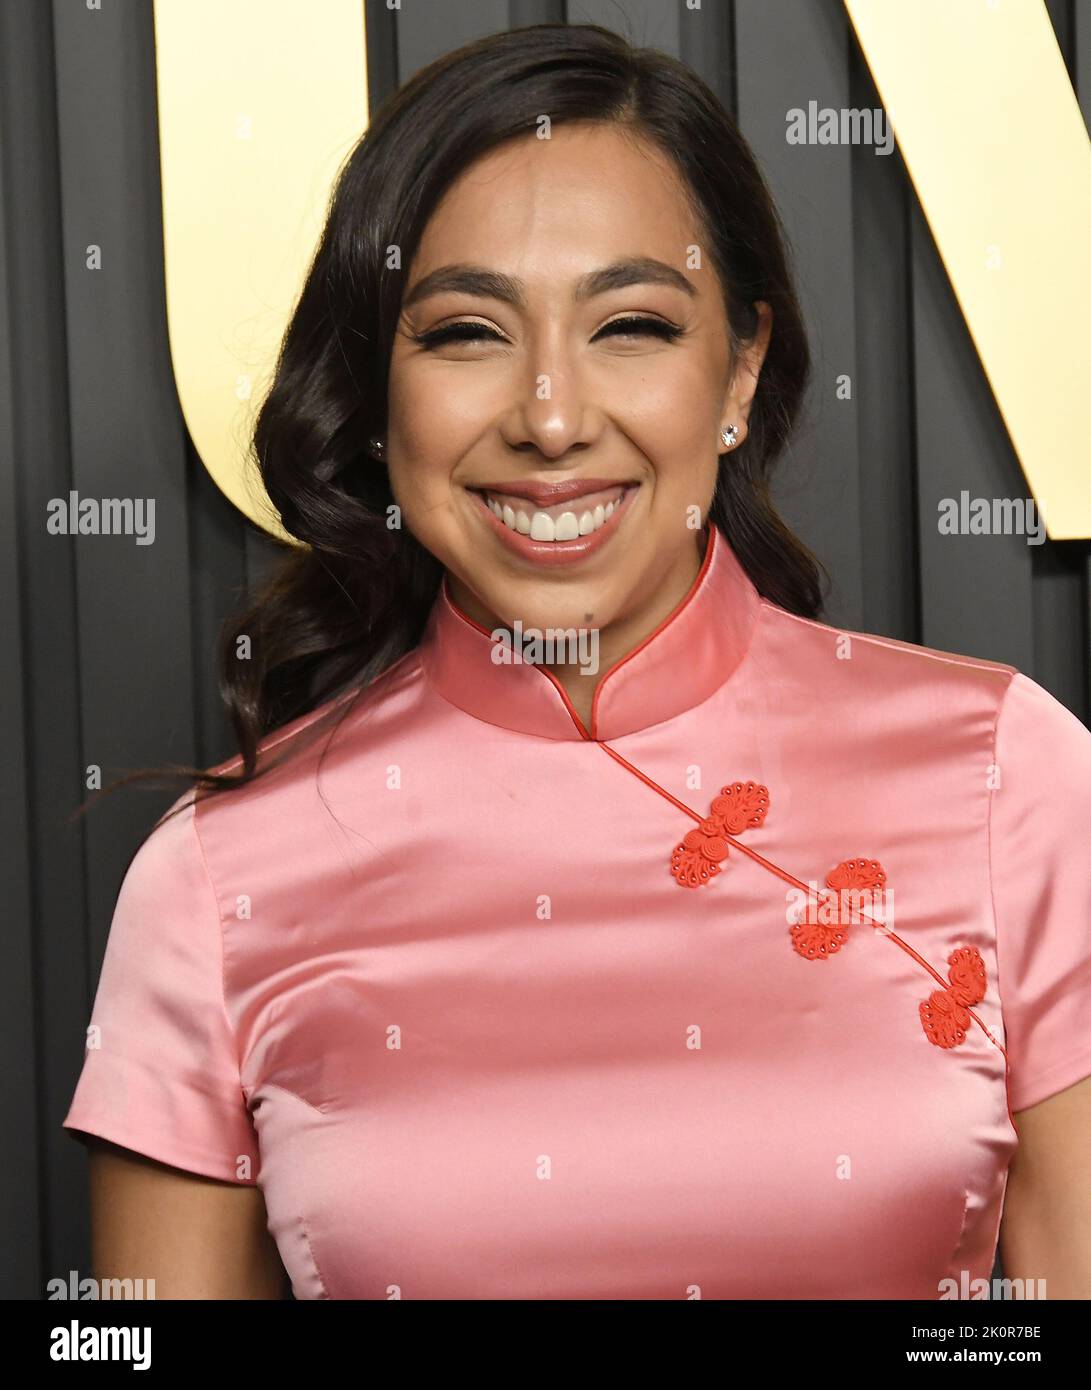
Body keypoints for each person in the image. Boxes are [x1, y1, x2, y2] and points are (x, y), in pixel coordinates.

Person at [63, 22, 1091, 1300]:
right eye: (463, 334)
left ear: (740, 369)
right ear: (380, 404)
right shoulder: (213, 882)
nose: (551, 416)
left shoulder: (1011, 781)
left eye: (632, 324)